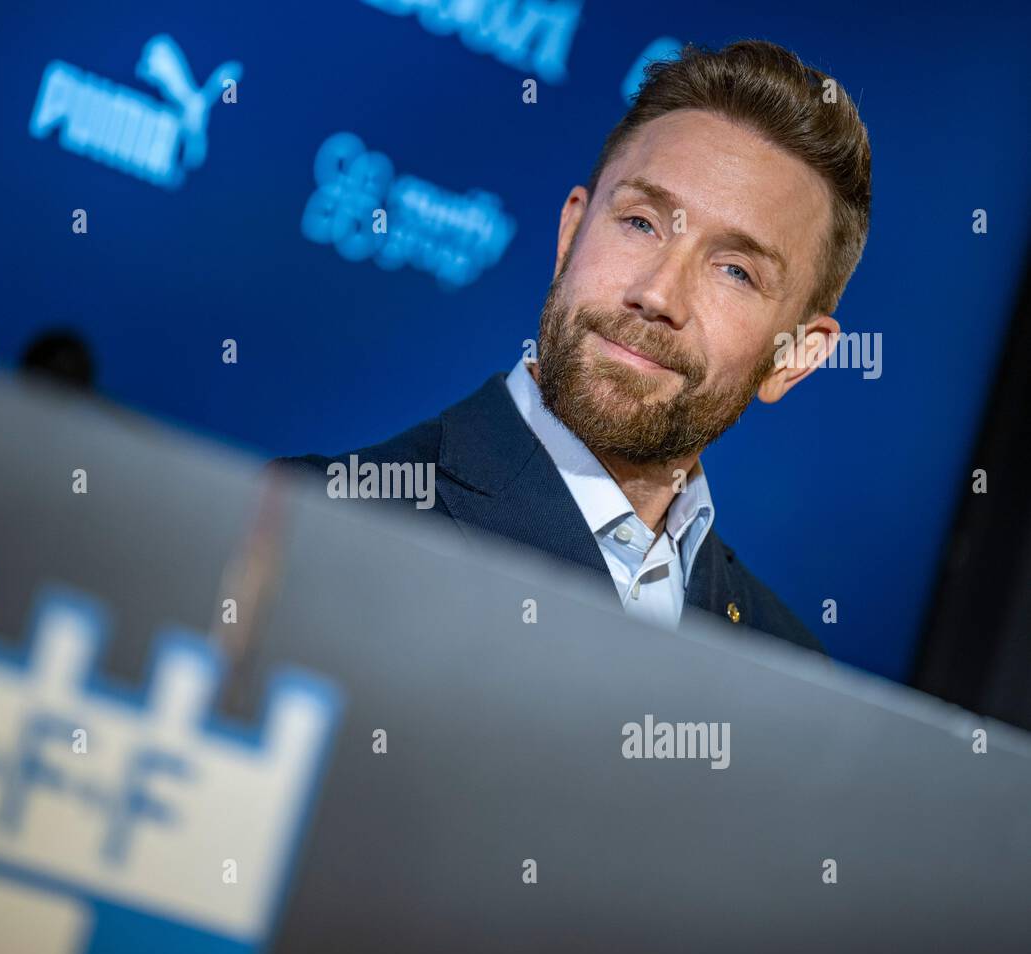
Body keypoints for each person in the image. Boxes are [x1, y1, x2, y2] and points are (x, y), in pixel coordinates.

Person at [275, 40, 872, 654]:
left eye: (736, 271)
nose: (659, 293)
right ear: (570, 236)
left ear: (796, 356)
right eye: (641, 223)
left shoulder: (790, 667)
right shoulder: (316, 525)